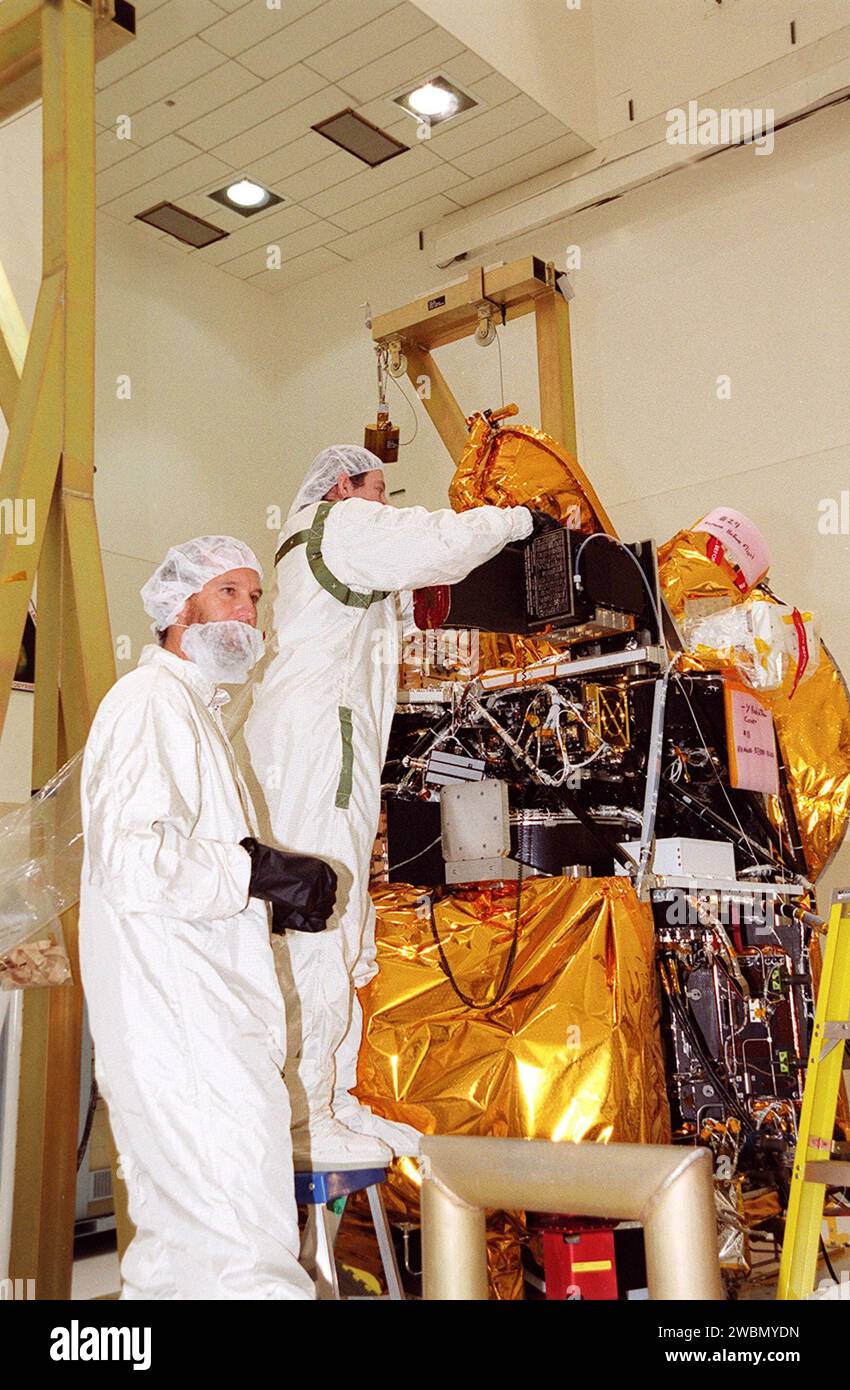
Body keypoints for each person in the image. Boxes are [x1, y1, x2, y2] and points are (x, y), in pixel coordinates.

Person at [244, 446, 537, 1167]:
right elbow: (439, 540)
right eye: (379, 489)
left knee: (341, 919)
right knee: (323, 924)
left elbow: (405, 601)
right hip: (321, 750)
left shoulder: (322, 549)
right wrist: (520, 520)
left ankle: (333, 1100)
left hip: (310, 748)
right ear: (346, 486)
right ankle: (309, 1114)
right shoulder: (341, 524)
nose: (383, 502)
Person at [79, 536, 335, 1299]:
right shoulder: (152, 702)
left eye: (257, 598)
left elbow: (181, 864)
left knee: (188, 1256)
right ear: (178, 605)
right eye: (230, 592)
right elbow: (135, 860)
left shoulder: (189, 710)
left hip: (194, 1014)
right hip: (185, 1023)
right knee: (241, 1250)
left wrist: (261, 895)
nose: (248, 612)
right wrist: (254, 870)